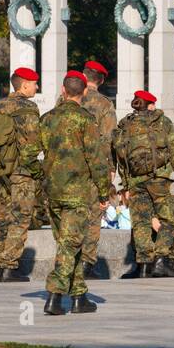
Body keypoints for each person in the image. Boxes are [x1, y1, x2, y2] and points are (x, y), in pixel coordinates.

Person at [39, 70, 108, 315]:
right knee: (70, 244)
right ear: (85, 91)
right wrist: (103, 192)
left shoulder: (47, 118)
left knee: (69, 242)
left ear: (62, 90)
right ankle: (54, 294)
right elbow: (97, 160)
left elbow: (30, 153)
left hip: (53, 191)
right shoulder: (86, 120)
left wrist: (42, 177)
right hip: (76, 192)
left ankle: (78, 295)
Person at [112, 90, 174, 278]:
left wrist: (125, 185)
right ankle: (160, 261)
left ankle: (143, 265)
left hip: (135, 180)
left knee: (141, 222)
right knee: (168, 218)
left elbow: (120, 157)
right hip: (161, 177)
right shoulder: (162, 122)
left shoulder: (125, 125)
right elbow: (173, 154)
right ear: (150, 105)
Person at [0, 67, 42, 283]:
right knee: (20, 218)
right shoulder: (28, 107)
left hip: (0, 171)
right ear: (24, 84)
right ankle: (9, 266)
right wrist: (36, 170)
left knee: (1, 218)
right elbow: (31, 143)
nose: (36, 87)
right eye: (34, 83)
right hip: (21, 172)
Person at [75, 60, 117, 280]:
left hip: (69, 167)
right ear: (100, 80)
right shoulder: (104, 104)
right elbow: (110, 138)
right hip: (93, 168)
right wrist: (110, 170)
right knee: (93, 216)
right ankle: (86, 264)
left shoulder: (66, 99)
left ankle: (70, 260)